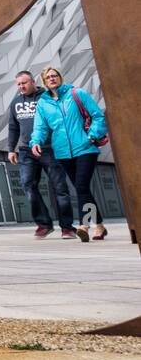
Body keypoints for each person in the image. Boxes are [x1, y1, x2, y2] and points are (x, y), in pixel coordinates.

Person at [31, 66, 109, 242]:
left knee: (81, 186)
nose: (52, 78)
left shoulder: (77, 94)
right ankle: (100, 226)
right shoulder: (43, 103)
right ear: (44, 82)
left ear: (60, 77)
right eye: (48, 77)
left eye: (55, 75)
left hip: (85, 148)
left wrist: (92, 135)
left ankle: (84, 225)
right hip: (63, 152)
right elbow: (40, 127)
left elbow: (98, 116)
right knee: (83, 189)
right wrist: (35, 141)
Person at [5, 70, 74, 239]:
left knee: (59, 188)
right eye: (19, 84)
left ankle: (67, 227)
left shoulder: (46, 97)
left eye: (24, 83)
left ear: (33, 82)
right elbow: (13, 128)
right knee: (28, 185)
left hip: (50, 148)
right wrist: (10, 149)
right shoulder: (15, 103)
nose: (22, 86)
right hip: (26, 151)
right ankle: (43, 224)